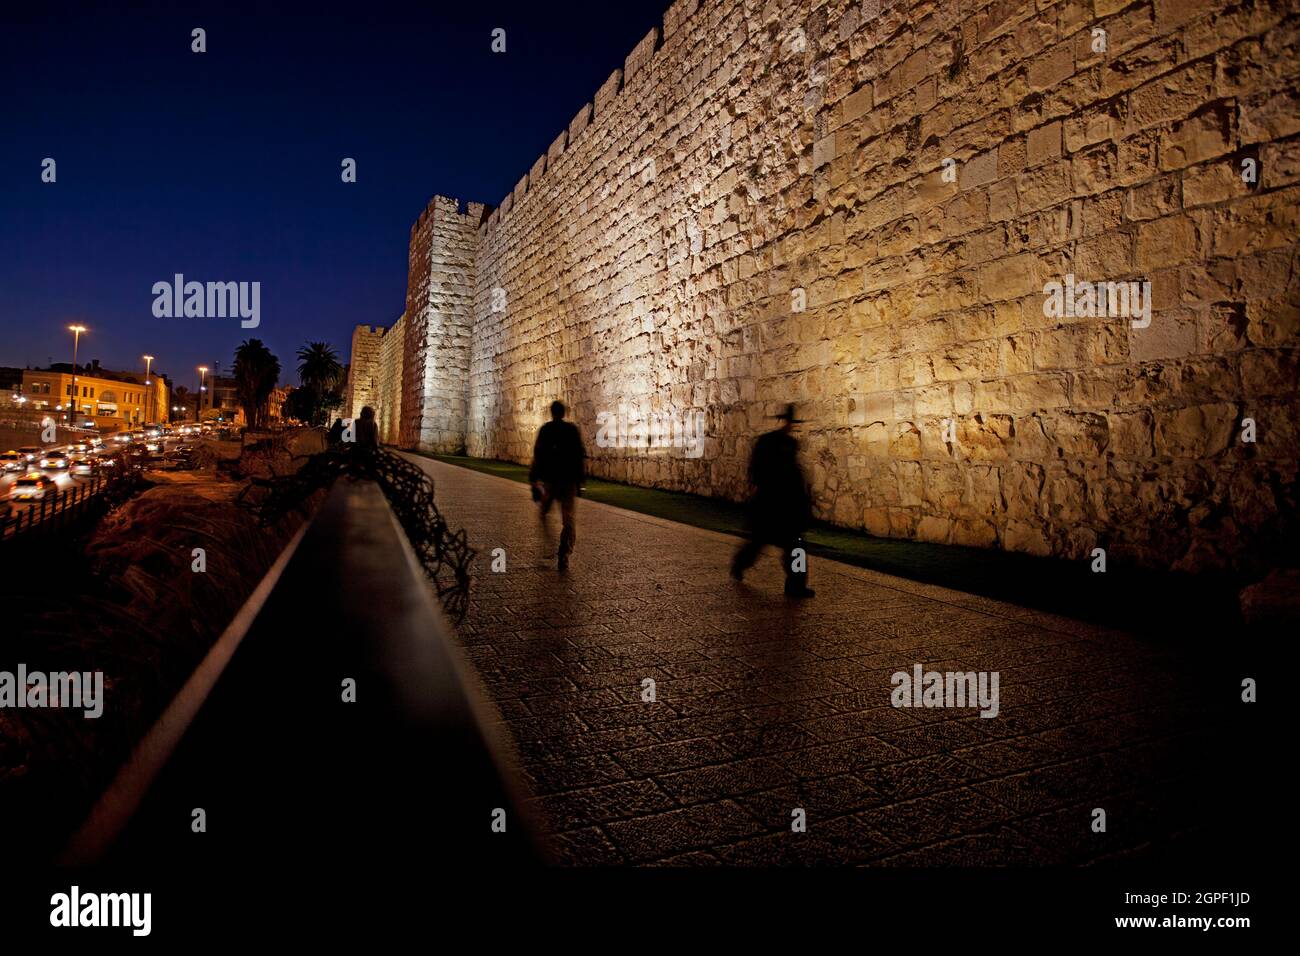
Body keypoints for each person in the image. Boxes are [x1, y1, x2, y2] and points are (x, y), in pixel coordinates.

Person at [731, 403, 815, 598]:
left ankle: (796, 585)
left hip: (786, 506)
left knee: (796, 546)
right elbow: (758, 472)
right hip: (770, 504)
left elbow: (790, 475)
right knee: (758, 542)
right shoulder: (768, 443)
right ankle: (739, 565)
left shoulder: (787, 444)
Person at [529, 400, 585, 572]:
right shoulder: (571, 430)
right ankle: (564, 551)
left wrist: (533, 480)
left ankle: (551, 544)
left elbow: (537, 456)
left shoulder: (546, 430)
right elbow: (579, 456)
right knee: (568, 520)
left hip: (551, 482)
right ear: (563, 413)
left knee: (543, 514)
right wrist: (580, 482)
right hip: (567, 482)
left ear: (552, 413)